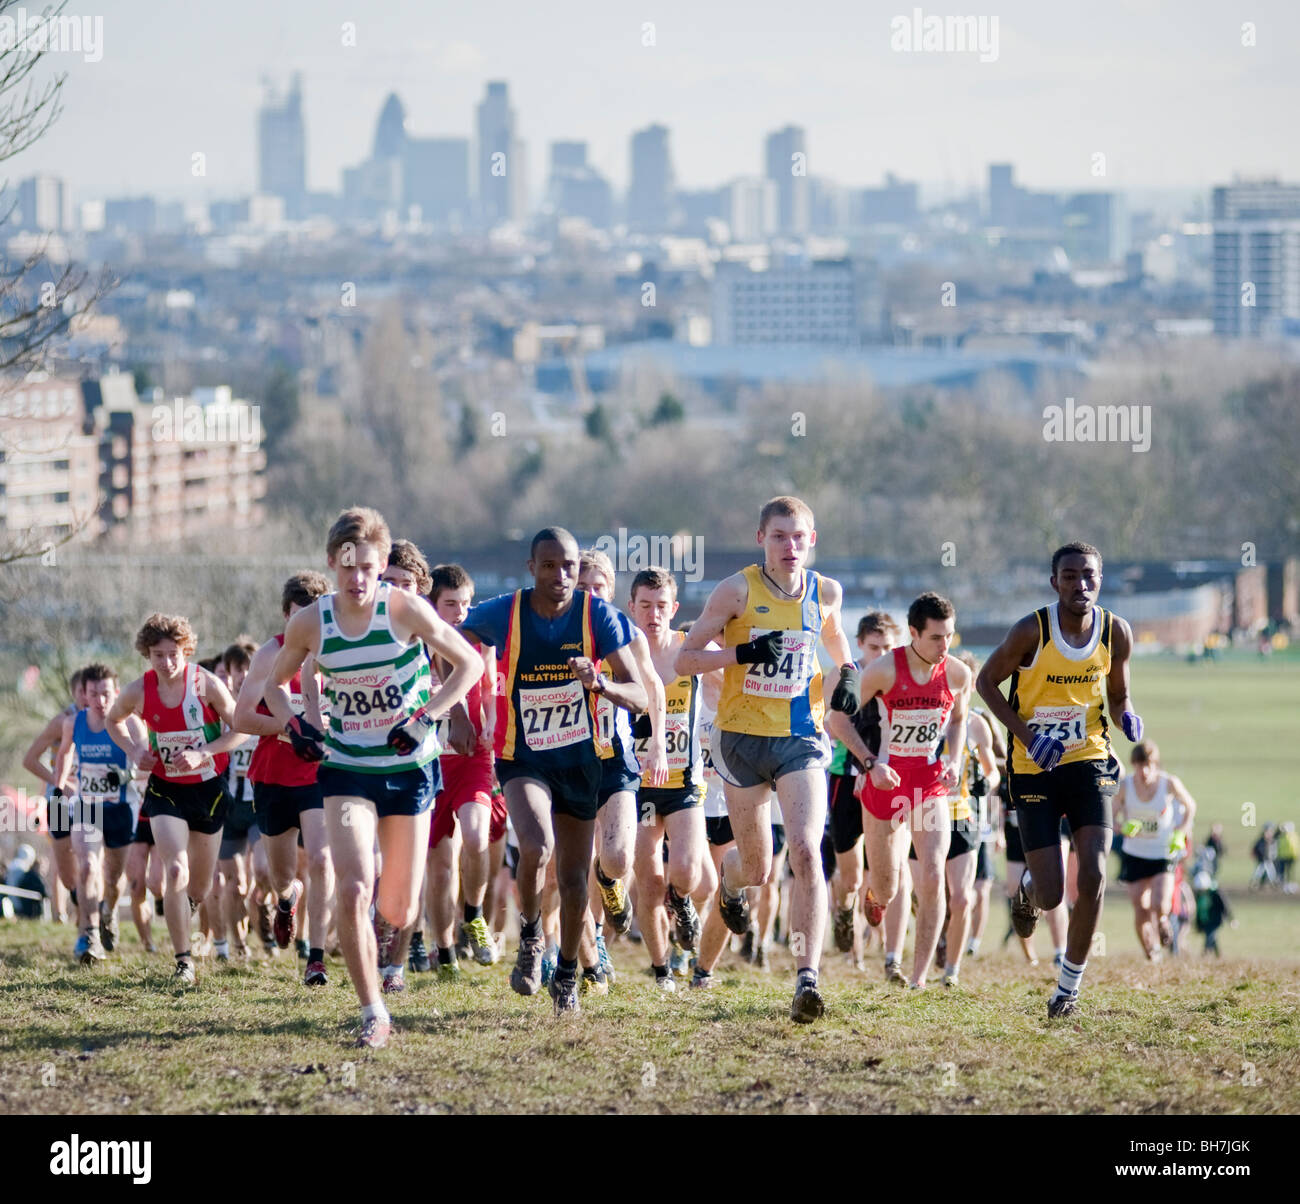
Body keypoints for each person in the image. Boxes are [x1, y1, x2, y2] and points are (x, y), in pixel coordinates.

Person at [265, 509, 481, 1048]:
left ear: (382, 565)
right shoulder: (311, 622)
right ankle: (373, 1012)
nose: (357, 579)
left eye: (367, 567)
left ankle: (390, 939)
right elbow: (274, 685)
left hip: (408, 770)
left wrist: (426, 716)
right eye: (346, 568)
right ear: (332, 566)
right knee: (354, 884)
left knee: (399, 907)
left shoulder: (404, 608)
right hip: (347, 767)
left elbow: (469, 666)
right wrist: (296, 727)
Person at [676, 496, 856, 1022]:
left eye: (799, 536)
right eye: (779, 536)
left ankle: (806, 980)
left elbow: (834, 631)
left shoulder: (826, 591)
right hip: (740, 739)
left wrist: (845, 669)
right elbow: (684, 659)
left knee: (803, 849)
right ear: (762, 540)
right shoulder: (735, 591)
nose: (790, 546)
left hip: (800, 736)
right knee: (755, 868)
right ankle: (727, 892)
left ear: (812, 540)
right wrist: (742, 654)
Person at [459, 526, 648, 1016]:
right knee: (537, 846)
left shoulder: (597, 616)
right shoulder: (505, 612)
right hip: (522, 757)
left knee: (571, 878)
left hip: (582, 762)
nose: (561, 576)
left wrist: (601, 684)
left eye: (568, 566)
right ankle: (528, 938)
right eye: (550, 566)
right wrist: (456, 710)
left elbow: (642, 696)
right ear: (532, 568)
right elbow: (448, 643)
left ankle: (567, 973)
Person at [977, 541, 1142, 1019]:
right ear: (1055, 583)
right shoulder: (1032, 630)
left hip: (1089, 759)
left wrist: (1127, 716)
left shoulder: (1116, 632)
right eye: (1069, 576)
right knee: (1052, 894)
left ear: (1100, 579)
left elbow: (1119, 695)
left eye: (1088, 575)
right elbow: (987, 682)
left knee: (1092, 872)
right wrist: (1028, 738)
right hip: (1035, 767)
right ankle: (1028, 893)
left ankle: (1067, 989)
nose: (1080, 584)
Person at [107, 614, 248, 987]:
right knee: (174, 871)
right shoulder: (140, 689)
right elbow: (113, 720)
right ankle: (184, 961)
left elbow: (241, 730)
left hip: (208, 790)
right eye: (158, 655)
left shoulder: (206, 685)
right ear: (147, 655)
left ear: (186, 651)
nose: (167, 663)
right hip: (166, 788)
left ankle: (186, 911)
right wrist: (135, 749)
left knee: (198, 889)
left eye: (173, 654)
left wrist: (204, 752)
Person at [852, 592, 970, 991]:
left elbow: (957, 721)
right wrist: (869, 762)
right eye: (936, 637)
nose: (944, 645)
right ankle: (875, 892)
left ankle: (918, 978)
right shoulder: (884, 670)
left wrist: (954, 760)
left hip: (930, 782)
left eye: (950, 636)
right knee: (888, 886)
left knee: (934, 876)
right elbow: (838, 718)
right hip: (885, 782)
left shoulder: (957, 674)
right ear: (914, 633)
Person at [233, 571, 334, 986]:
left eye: (311, 615)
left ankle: (317, 956)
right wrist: (290, 728)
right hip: (273, 776)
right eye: (296, 616)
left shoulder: (339, 653)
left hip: (319, 775)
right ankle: (286, 901)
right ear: (286, 617)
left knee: (324, 860)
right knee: (283, 875)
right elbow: (241, 717)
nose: (303, 626)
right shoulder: (269, 655)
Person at [627, 567, 713, 992]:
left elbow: (728, 679)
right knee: (649, 881)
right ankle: (662, 971)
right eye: (645, 606)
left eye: (662, 607)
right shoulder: (621, 653)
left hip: (683, 779)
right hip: (639, 785)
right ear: (632, 608)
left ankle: (682, 903)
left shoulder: (690, 649)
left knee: (686, 870)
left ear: (674, 609)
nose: (653, 615)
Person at [53, 663, 145, 963]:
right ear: (85, 695)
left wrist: (126, 777)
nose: (101, 701)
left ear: (116, 692)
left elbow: (145, 765)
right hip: (87, 806)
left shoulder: (131, 724)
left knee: (114, 877)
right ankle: (88, 934)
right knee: (88, 866)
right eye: (94, 694)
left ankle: (108, 911)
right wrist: (60, 785)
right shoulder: (73, 722)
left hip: (121, 808)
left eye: (106, 693)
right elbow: (65, 752)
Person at [823, 612, 899, 966]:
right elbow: (829, 721)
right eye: (874, 647)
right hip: (845, 778)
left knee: (882, 870)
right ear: (859, 645)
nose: (880, 653)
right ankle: (844, 909)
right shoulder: (845, 676)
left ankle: (877, 953)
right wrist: (862, 762)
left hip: (888, 782)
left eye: (887, 646)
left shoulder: (899, 678)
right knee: (851, 877)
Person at [1114, 739, 1197, 960]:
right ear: (1134, 765)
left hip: (1162, 852)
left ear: (1156, 764)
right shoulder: (1125, 786)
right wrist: (1123, 828)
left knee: (1160, 904)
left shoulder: (1169, 783)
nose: (1144, 771)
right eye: (1139, 766)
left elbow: (1190, 805)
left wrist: (1181, 830)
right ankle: (1151, 953)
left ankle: (1162, 923)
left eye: (1149, 765)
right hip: (1135, 853)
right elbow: (1110, 817)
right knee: (1140, 907)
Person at [23, 669, 87, 924]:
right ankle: (63, 910)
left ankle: (90, 920)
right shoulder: (63, 721)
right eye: (82, 692)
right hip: (59, 801)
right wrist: (59, 784)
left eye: (92, 691)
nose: (88, 697)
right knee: (62, 862)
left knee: (91, 859)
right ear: (74, 693)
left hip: (93, 800)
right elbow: (29, 760)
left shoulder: (108, 720)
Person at [210, 638, 261, 962]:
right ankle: (238, 945)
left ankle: (268, 914)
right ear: (227, 674)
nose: (242, 675)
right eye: (236, 669)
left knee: (267, 875)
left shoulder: (268, 704)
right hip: (228, 808)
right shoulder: (220, 711)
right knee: (235, 883)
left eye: (248, 668)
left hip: (261, 805)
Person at [1193, 866, 1234, 956]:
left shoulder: (1216, 893)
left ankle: (1204, 954)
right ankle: (1218, 955)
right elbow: (1198, 911)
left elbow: (1224, 906)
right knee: (1212, 937)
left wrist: (1230, 919)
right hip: (1205, 920)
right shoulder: (1198, 895)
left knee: (1210, 936)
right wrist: (1197, 924)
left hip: (1215, 920)